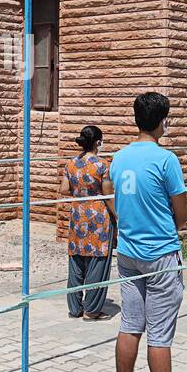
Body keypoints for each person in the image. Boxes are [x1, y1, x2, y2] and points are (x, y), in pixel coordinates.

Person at [102, 92, 187, 372]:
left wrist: (128, 221)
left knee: (130, 325)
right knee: (159, 334)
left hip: (127, 254)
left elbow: (111, 198)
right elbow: (183, 213)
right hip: (160, 255)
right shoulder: (165, 159)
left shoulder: (119, 158)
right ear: (163, 121)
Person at [61, 125, 114, 320]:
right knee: (97, 261)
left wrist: (80, 191)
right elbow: (108, 195)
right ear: (98, 142)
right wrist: (118, 216)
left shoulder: (70, 164)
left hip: (77, 215)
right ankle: (91, 310)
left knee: (76, 260)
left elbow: (64, 190)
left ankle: (75, 308)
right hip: (98, 216)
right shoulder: (102, 165)